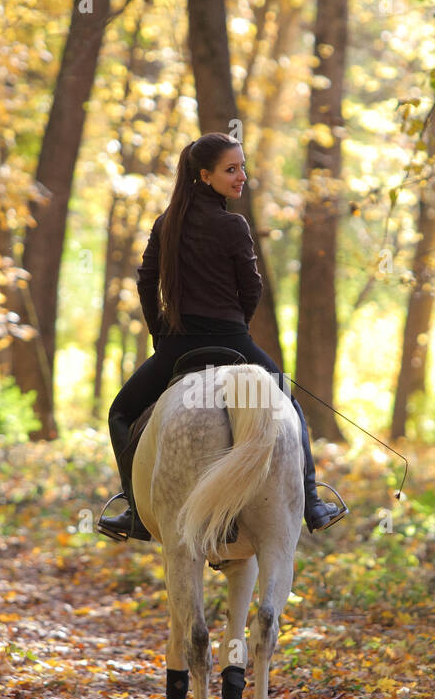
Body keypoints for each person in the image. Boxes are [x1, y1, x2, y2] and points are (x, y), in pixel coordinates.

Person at [97, 131, 348, 542]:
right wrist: (235, 325)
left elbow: (146, 283)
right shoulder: (234, 225)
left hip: (178, 344)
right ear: (204, 176)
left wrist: (162, 333)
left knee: (120, 414)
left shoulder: (166, 224)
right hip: (234, 344)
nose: (241, 176)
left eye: (242, 167)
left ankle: (135, 513)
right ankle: (312, 503)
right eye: (232, 169)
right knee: (290, 403)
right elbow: (252, 289)